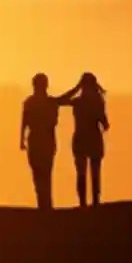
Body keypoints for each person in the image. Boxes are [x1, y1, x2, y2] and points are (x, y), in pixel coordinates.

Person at [20, 73, 78, 210]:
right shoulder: (45, 102)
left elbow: (24, 122)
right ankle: (45, 205)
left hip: (39, 141)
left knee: (40, 175)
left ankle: (44, 205)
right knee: (44, 174)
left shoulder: (31, 102)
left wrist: (21, 140)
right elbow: (65, 99)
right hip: (43, 140)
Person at [68, 72, 110, 207]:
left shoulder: (78, 102)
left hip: (80, 139)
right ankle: (96, 201)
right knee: (95, 172)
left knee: (81, 172)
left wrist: (76, 88)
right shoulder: (98, 101)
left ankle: (82, 203)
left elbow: (60, 101)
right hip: (94, 138)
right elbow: (105, 123)